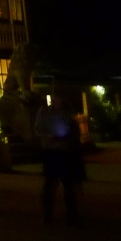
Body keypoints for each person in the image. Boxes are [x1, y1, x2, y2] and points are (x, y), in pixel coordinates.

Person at [34, 93, 79, 225]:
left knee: (68, 185)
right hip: (51, 152)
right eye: (54, 98)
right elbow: (38, 129)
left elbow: (75, 132)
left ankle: (71, 215)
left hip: (65, 152)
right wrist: (50, 136)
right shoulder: (44, 112)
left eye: (59, 98)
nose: (56, 101)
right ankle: (47, 214)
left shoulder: (68, 113)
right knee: (49, 184)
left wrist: (68, 138)